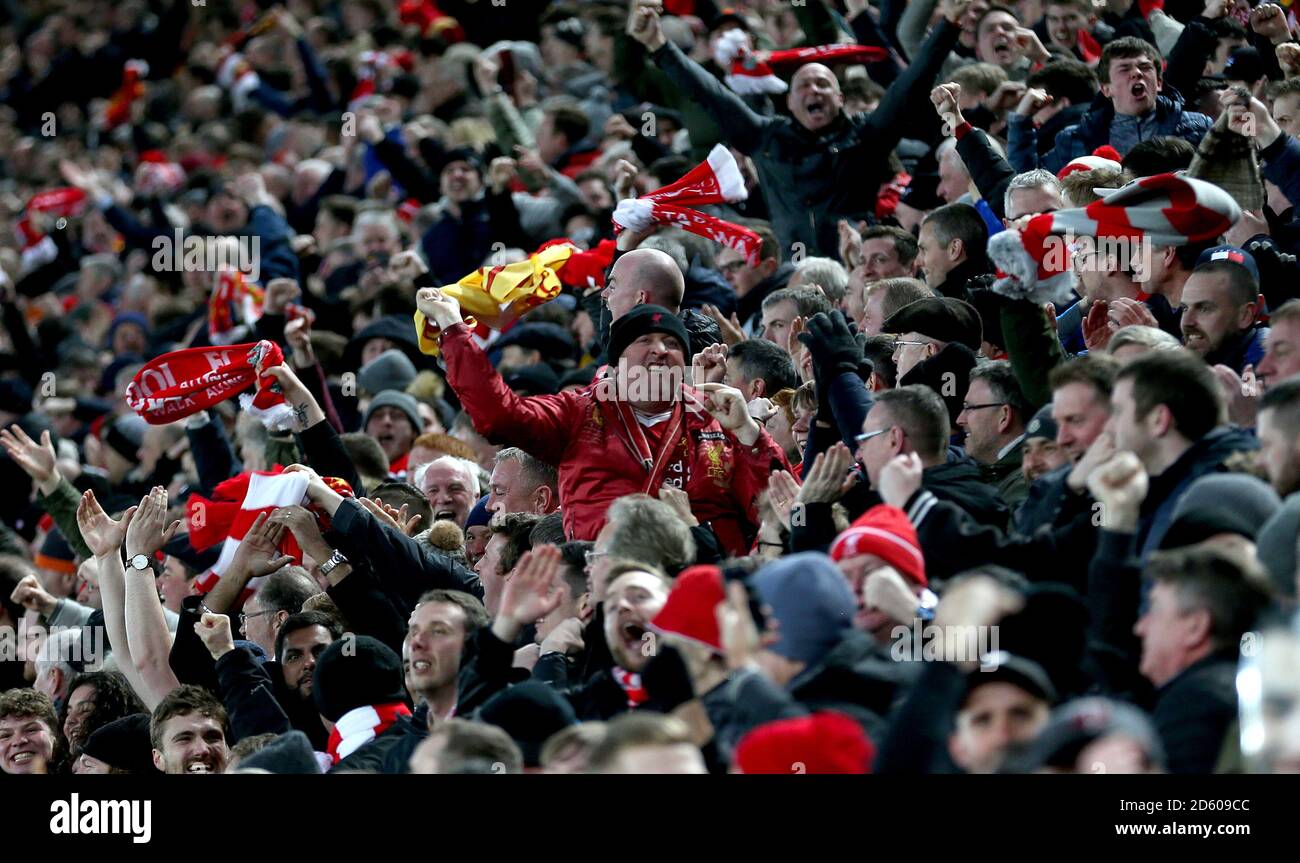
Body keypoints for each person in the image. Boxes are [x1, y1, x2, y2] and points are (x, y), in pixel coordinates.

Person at [421, 289, 790, 556]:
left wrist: (749, 433)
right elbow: (499, 416)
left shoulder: (717, 417)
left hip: (706, 593)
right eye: (644, 340)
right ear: (616, 365)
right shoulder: (578, 413)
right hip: (607, 592)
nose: (660, 350)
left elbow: (776, 509)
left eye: (671, 343)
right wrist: (454, 331)